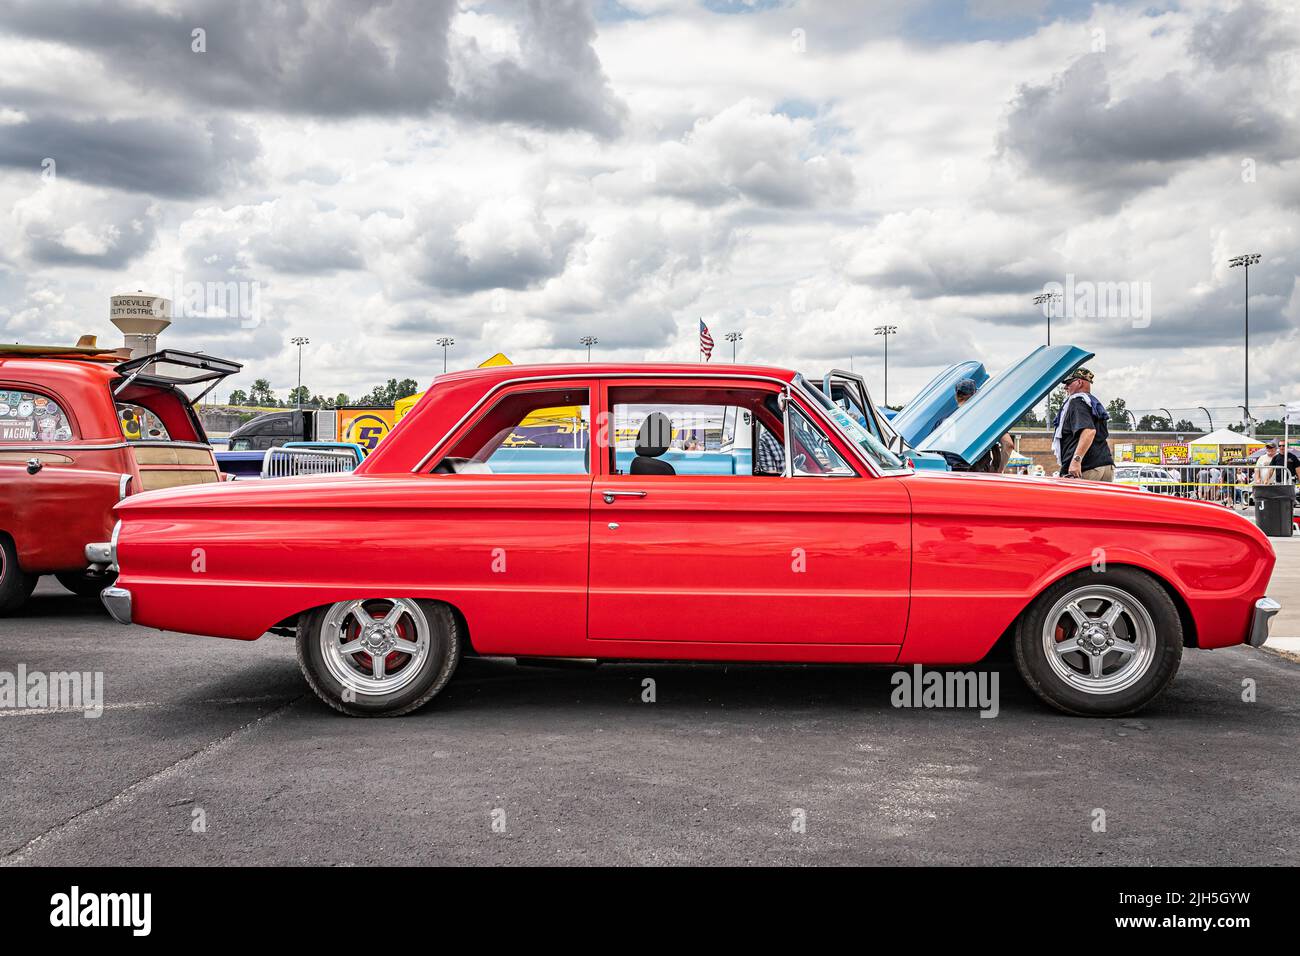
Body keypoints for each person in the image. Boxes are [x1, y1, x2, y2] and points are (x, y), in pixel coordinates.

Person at [933, 378, 1016, 473]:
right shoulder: (986, 419)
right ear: (975, 396)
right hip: (979, 477)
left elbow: (935, 454)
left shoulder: (942, 423)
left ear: (956, 396)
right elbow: (1008, 444)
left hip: (951, 477)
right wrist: (999, 470)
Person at [1052, 367, 1114, 482]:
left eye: (1068, 383)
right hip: (1105, 465)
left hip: (1086, 468)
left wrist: (1076, 461)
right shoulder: (1092, 402)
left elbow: (1089, 431)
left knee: (1075, 501)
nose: (1066, 387)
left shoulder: (1077, 402)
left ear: (1079, 382)